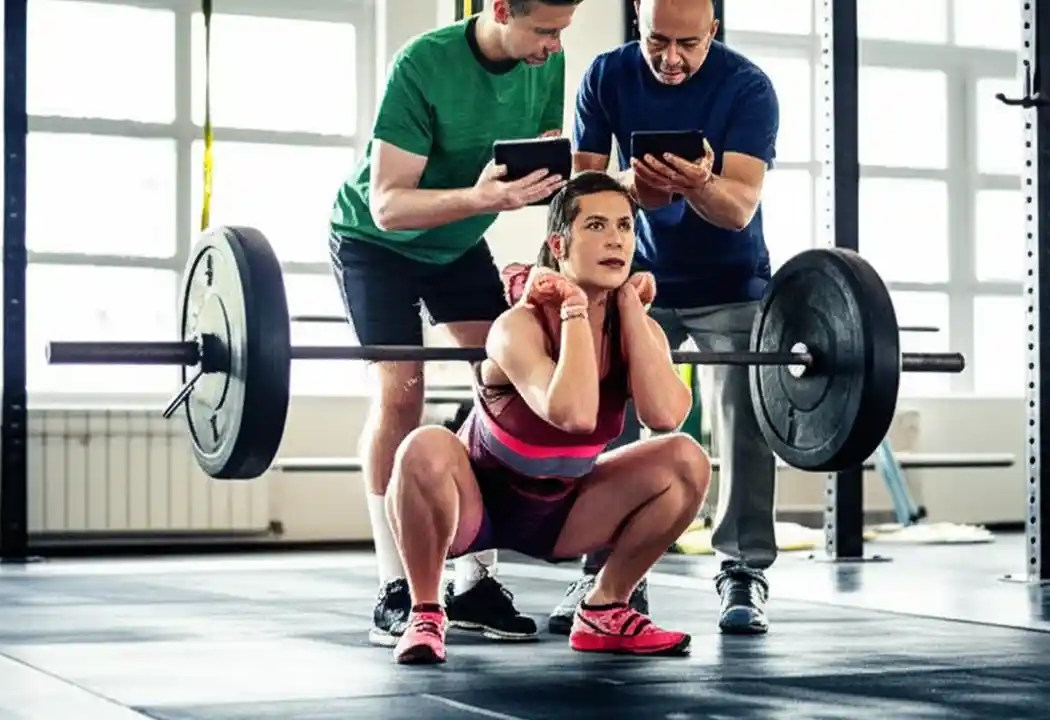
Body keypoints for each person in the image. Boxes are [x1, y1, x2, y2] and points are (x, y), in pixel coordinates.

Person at [326, 0, 585, 649]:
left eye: (563, 31)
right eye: (545, 30)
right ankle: (396, 588)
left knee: (504, 384)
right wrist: (483, 198)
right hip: (374, 243)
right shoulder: (423, 64)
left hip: (457, 244)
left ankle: (473, 582)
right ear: (500, 8)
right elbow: (387, 205)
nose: (554, 47)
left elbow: (541, 166)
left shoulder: (543, 60)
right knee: (400, 392)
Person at [385, 171, 712, 665]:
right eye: (597, 226)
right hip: (475, 512)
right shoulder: (516, 327)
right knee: (423, 447)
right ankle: (426, 613)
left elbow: (666, 415)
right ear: (559, 243)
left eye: (625, 227)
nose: (616, 240)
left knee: (687, 461)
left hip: (565, 514)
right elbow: (573, 414)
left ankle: (605, 608)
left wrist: (628, 312)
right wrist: (576, 310)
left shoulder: (635, 327)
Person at [549, 0, 781, 636]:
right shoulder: (605, 76)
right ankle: (610, 576)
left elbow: (737, 207)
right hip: (635, 280)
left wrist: (698, 184)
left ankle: (743, 570)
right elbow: (580, 194)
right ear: (638, 29)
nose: (671, 58)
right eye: (657, 42)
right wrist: (633, 190)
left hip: (730, 282)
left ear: (713, 32)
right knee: (607, 418)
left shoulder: (747, 87)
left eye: (687, 44)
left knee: (744, 419)